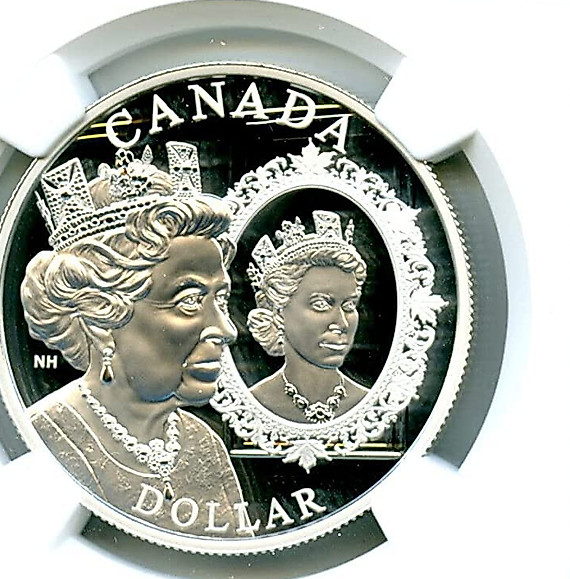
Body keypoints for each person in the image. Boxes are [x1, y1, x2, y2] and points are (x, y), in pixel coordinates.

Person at [20, 141, 249, 537]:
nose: (227, 330)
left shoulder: (204, 445)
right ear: (101, 322)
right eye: (189, 301)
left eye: (222, 299)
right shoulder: (40, 443)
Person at [246, 212, 370, 423]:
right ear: (279, 312)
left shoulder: (370, 403)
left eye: (349, 305)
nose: (342, 323)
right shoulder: (253, 404)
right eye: (321, 304)